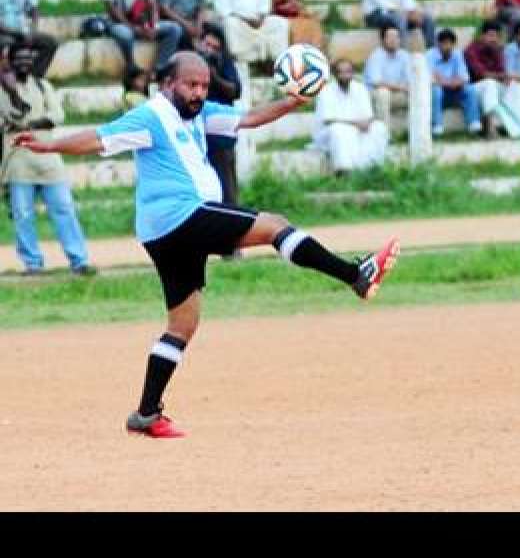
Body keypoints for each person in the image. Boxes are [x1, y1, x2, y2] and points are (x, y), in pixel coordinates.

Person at [13, 51, 401, 438]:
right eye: (191, 85)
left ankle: (146, 413)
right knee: (275, 226)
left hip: (163, 231)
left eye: (203, 85)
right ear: (168, 84)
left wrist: (291, 102)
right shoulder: (151, 116)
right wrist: (50, 146)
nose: (199, 92)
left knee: (183, 324)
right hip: (182, 216)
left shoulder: (201, 113)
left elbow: (249, 118)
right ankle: (356, 275)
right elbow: (98, 139)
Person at [0, 44, 94, 277]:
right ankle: (33, 264)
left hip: (49, 160)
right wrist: (15, 97)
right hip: (18, 162)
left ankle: (79, 261)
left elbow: (57, 116)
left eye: (28, 58)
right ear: (10, 62)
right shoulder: (2, 90)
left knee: (64, 210)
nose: (24, 62)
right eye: (18, 58)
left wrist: (29, 124)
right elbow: (10, 119)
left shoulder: (43, 86)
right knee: (23, 215)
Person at [313, 58, 390, 173]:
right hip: (331, 130)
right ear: (335, 75)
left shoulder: (360, 88)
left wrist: (367, 122)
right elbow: (328, 120)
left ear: (352, 73)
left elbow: (368, 115)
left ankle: (370, 166)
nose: (345, 76)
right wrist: (356, 124)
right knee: (339, 131)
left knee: (379, 128)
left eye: (348, 72)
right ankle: (345, 170)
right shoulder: (326, 91)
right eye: (341, 72)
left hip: (358, 127)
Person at [197, 24, 243, 210]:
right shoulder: (191, 63)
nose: (210, 51)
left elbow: (235, 91)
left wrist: (214, 76)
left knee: (227, 188)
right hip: (197, 132)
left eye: (215, 47)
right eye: (207, 45)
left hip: (221, 134)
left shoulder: (225, 63)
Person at [0, 0, 58, 80]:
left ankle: (35, 75)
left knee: (50, 42)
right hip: (6, 34)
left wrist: (33, 29)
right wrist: (19, 33)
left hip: (25, 32)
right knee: (4, 43)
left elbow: (35, 10)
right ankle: (7, 74)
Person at [464, 21, 518, 139]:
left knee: (514, 86)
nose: (493, 39)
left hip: (492, 87)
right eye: (490, 35)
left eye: (496, 36)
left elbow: (502, 71)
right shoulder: (471, 50)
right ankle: (490, 128)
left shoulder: (497, 51)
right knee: (489, 84)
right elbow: (481, 74)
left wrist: (506, 79)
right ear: (482, 36)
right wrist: (501, 76)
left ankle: (512, 127)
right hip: (473, 89)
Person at [427, 29, 482, 138]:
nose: (447, 47)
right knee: (436, 90)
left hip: (454, 90)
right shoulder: (430, 55)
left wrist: (446, 81)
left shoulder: (457, 54)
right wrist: (450, 81)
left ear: (454, 44)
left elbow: (464, 77)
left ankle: (474, 124)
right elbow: (431, 79)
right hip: (437, 94)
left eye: (450, 43)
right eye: (444, 43)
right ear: (438, 44)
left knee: (470, 89)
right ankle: (437, 127)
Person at [363, 24, 411, 129]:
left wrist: (407, 87)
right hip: (376, 93)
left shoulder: (404, 55)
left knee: (416, 91)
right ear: (383, 40)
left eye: (396, 37)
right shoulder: (376, 56)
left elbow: (410, 78)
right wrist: (400, 87)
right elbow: (376, 83)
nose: (393, 40)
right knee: (383, 93)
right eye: (390, 37)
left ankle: (414, 129)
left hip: (398, 92)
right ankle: (384, 131)